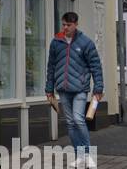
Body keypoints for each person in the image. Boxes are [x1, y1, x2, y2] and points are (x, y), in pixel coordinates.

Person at [44, 12, 104, 159]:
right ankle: (79, 156)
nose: (65, 28)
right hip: (63, 89)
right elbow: (51, 67)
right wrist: (49, 89)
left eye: (69, 25)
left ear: (76, 24)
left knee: (78, 119)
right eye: (63, 24)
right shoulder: (56, 42)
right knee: (70, 123)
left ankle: (88, 154)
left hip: (80, 88)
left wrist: (98, 88)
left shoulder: (86, 43)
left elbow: (96, 66)